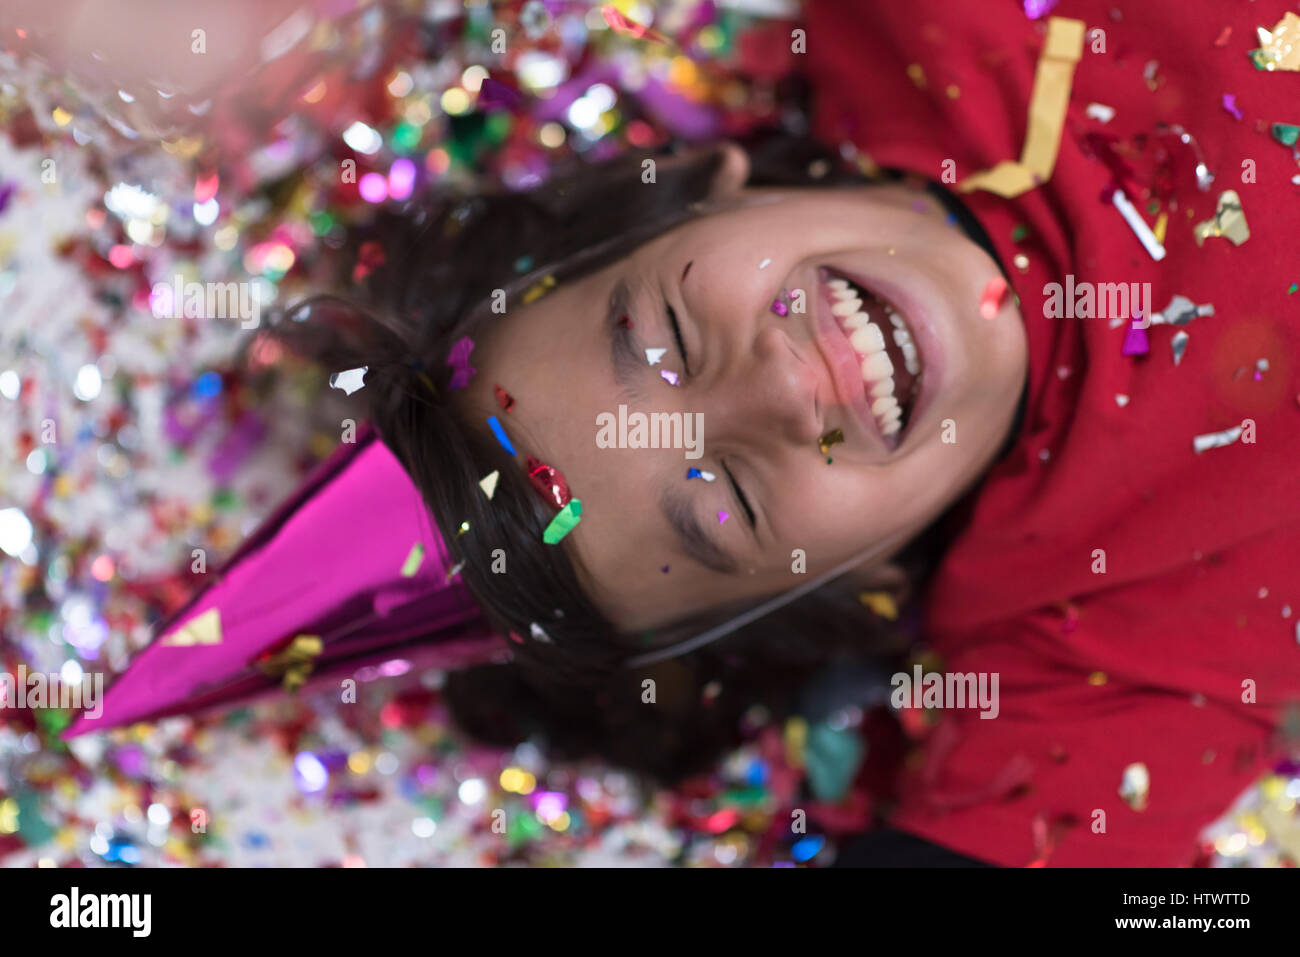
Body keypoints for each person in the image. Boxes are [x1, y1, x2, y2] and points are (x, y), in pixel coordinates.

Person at [84, 0, 1300, 867]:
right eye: (724, 506)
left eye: (658, 334)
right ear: (852, 583)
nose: (779, 387)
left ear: (704, 187)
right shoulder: (1102, 649)